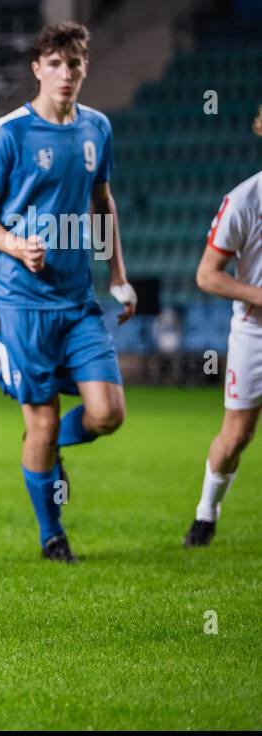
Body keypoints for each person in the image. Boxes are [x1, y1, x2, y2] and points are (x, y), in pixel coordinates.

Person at [0, 22, 135, 563]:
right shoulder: (9, 132)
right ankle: (52, 536)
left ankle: (46, 450)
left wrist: (117, 276)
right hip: (21, 300)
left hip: (77, 298)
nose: (66, 74)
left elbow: (102, 202)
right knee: (38, 416)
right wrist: (15, 245)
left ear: (85, 69)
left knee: (107, 413)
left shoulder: (97, 129)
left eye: (75, 64)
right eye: (55, 64)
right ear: (37, 69)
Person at [182, 105, 262, 547]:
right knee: (237, 437)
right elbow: (207, 275)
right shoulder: (244, 201)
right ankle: (206, 513)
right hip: (255, 332)